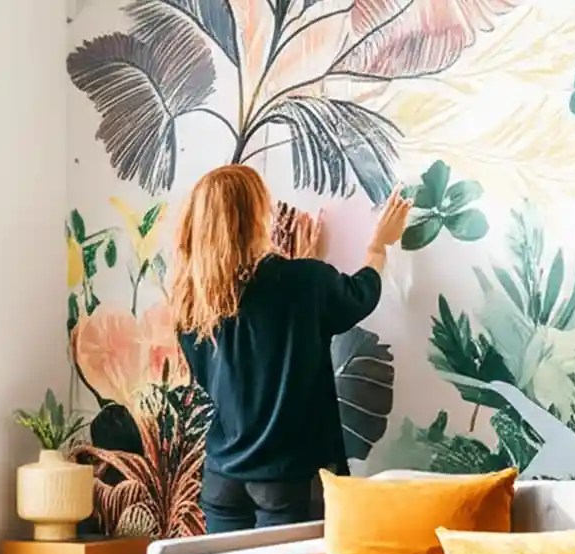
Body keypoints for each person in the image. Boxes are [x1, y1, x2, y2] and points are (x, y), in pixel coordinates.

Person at [171, 165, 412, 533]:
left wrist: (302, 264)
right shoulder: (303, 283)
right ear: (255, 216)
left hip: (222, 478)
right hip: (286, 479)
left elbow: (231, 370)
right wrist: (378, 245)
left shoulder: (191, 302)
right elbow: (361, 293)